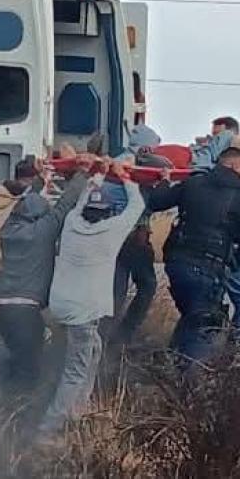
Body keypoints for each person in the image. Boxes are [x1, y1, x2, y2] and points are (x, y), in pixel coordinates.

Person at [37, 166, 144, 442]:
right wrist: (125, 177)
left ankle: (78, 412)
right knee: (75, 371)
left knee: (93, 349)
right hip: (82, 313)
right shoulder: (111, 232)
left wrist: (98, 176)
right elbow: (138, 205)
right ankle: (48, 431)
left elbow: (83, 199)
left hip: (58, 305)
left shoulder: (72, 222)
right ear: (107, 214)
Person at [0, 153, 90, 402]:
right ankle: (16, 414)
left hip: (1, 308)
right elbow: (65, 204)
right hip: (26, 311)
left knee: (13, 349)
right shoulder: (42, 231)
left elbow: (23, 202)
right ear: (39, 216)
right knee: (28, 371)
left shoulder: (8, 228)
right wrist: (82, 174)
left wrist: (39, 179)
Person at [147, 146, 240, 368]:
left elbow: (156, 202)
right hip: (207, 268)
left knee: (193, 315)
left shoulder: (193, 182)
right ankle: (188, 387)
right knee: (204, 326)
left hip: (177, 263)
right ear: (235, 166)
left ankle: (167, 364)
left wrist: (163, 181)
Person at [109, 125, 170, 347]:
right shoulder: (139, 165)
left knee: (116, 290)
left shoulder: (116, 162)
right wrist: (164, 180)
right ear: (145, 148)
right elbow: (165, 169)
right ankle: (123, 335)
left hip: (113, 236)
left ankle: (105, 335)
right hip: (134, 237)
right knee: (147, 285)